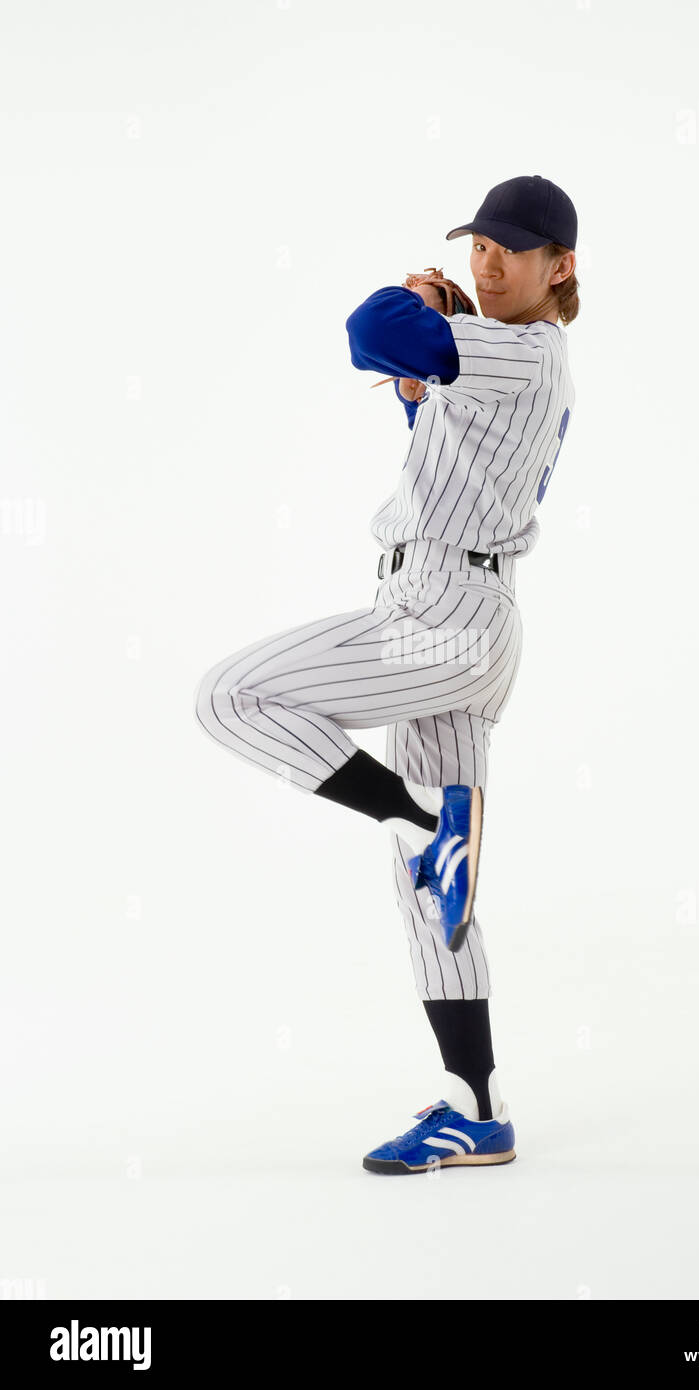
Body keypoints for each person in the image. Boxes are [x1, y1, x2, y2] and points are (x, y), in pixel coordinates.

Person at [195, 174, 579, 1174]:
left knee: (231, 694)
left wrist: (416, 300)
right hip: (464, 610)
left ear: (559, 267)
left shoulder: (525, 347)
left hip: (441, 614)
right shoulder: (499, 359)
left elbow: (371, 330)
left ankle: (414, 819)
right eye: (476, 245)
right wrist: (424, 380)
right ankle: (475, 1104)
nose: (487, 259)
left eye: (509, 247)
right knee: (433, 902)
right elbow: (436, 424)